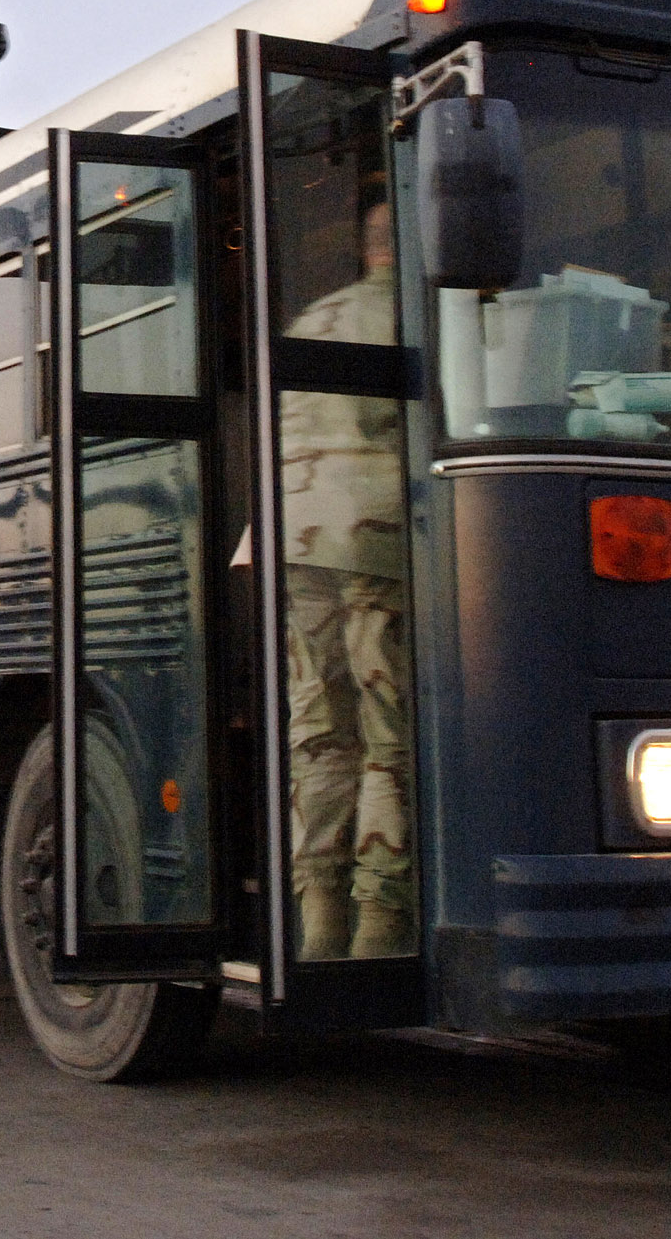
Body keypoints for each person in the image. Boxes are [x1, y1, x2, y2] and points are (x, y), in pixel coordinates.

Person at [275, 196, 416, 962]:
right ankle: (380, 923)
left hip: (298, 543)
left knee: (320, 733)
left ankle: (319, 916)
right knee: (388, 737)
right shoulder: (418, 316)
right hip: (376, 542)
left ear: (367, 247)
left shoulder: (315, 318)